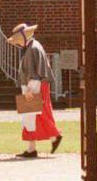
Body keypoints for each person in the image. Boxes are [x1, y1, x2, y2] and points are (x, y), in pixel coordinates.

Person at [9, 23, 62, 158]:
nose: (17, 43)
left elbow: (34, 72)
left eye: (18, 40)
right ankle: (33, 147)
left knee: (35, 114)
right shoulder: (32, 47)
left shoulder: (32, 48)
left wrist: (29, 89)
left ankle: (53, 137)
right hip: (34, 84)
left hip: (35, 84)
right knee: (31, 116)